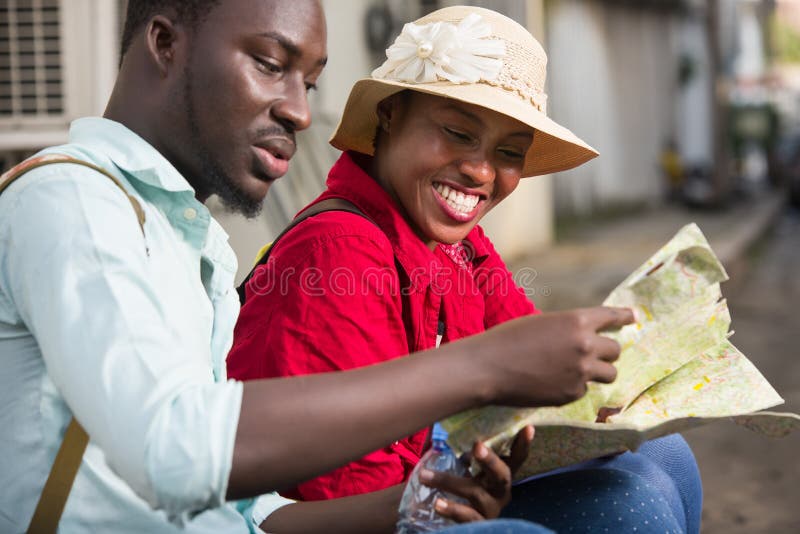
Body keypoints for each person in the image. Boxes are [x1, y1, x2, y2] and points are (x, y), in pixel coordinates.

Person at [0, 1, 633, 532]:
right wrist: (486, 368)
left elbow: (254, 512)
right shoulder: (71, 200)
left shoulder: (193, 242)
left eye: (309, 84)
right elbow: (171, 449)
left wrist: (419, 504)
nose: (300, 112)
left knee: (643, 475)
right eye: (271, 66)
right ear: (165, 43)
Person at [229, 6, 702, 533]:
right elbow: (350, 489)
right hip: (355, 516)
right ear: (389, 114)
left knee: (662, 454)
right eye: (457, 132)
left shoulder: (462, 247)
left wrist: (601, 395)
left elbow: (526, 351)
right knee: (625, 505)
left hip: (438, 487)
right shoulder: (335, 252)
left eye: (507, 153)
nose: (479, 171)